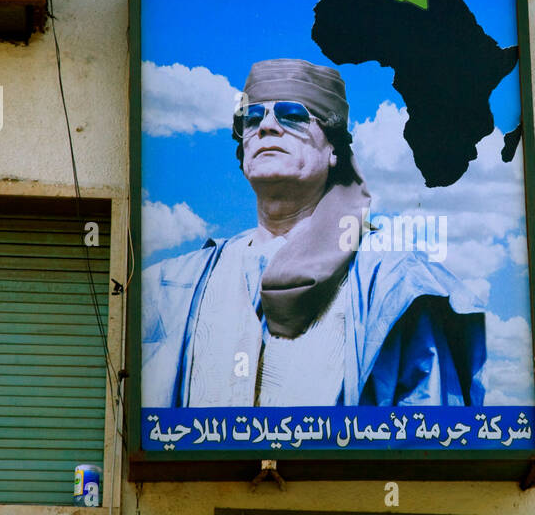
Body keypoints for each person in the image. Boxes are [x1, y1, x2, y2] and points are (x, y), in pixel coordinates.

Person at [141, 58, 486, 408]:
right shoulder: (173, 286)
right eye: (253, 118)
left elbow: (429, 434)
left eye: (292, 115)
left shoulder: (393, 283)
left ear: (334, 147)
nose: (267, 127)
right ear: (243, 149)